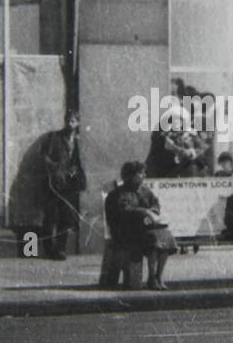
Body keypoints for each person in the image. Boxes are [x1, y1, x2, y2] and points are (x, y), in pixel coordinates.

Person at [105, 160, 178, 290]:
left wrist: (154, 211)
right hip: (127, 231)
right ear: (130, 175)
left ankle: (158, 276)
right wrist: (144, 212)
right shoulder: (121, 193)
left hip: (145, 229)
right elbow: (125, 211)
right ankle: (151, 278)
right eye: (140, 173)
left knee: (166, 237)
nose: (144, 175)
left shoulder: (145, 190)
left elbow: (155, 203)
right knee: (154, 239)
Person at [39, 109, 87, 260]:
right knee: (50, 217)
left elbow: (77, 163)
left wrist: (74, 174)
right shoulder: (55, 137)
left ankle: (60, 249)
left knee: (66, 218)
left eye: (73, 121)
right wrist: (55, 169)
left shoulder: (78, 141)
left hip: (68, 184)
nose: (69, 124)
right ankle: (48, 249)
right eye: (68, 120)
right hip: (53, 183)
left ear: (78, 123)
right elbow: (44, 156)